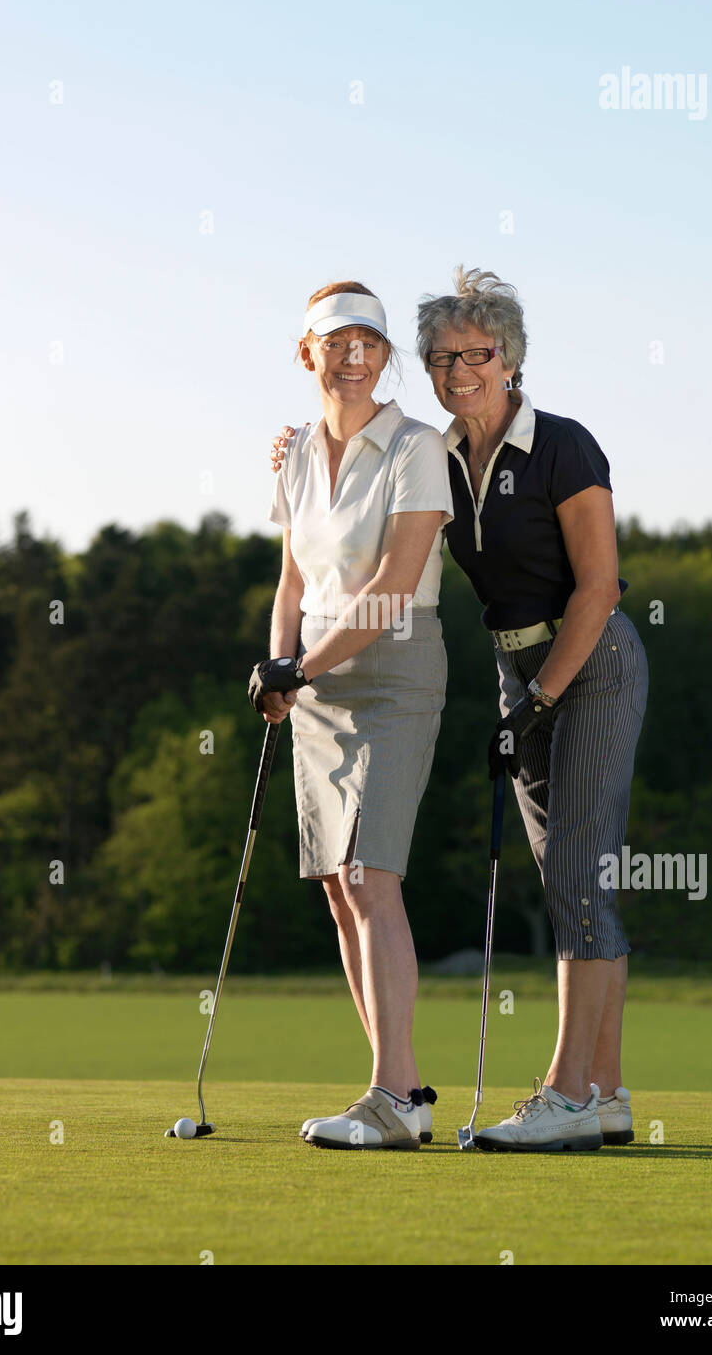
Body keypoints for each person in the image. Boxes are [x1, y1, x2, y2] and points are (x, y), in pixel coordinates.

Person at [272, 267, 648, 1153]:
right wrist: (294, 452)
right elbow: (358, 494)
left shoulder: (562, 445)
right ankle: (609, 1092)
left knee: (579, 877)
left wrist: (544, 695)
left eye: (477, 354)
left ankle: (565, 1095)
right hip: (517, 675)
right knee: (568, 873)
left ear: (510, 360)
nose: (459, 369)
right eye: (442, 357)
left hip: (590, 664)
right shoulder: (438, 455)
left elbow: (598, 589)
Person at [250, 280, 454, 1150]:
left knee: (372, 874)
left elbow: (394, 587)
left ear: (384, 353)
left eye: (369, 338)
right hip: (317, 682)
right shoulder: (294, 455)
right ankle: (396, 1089)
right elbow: (294, 580)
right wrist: (278, 668)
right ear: (310, 353)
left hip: (396, 669)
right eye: (336, 340)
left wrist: (300, 664)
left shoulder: (416, 447)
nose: (355, 352)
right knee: (339, 886)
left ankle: (395, 1097)